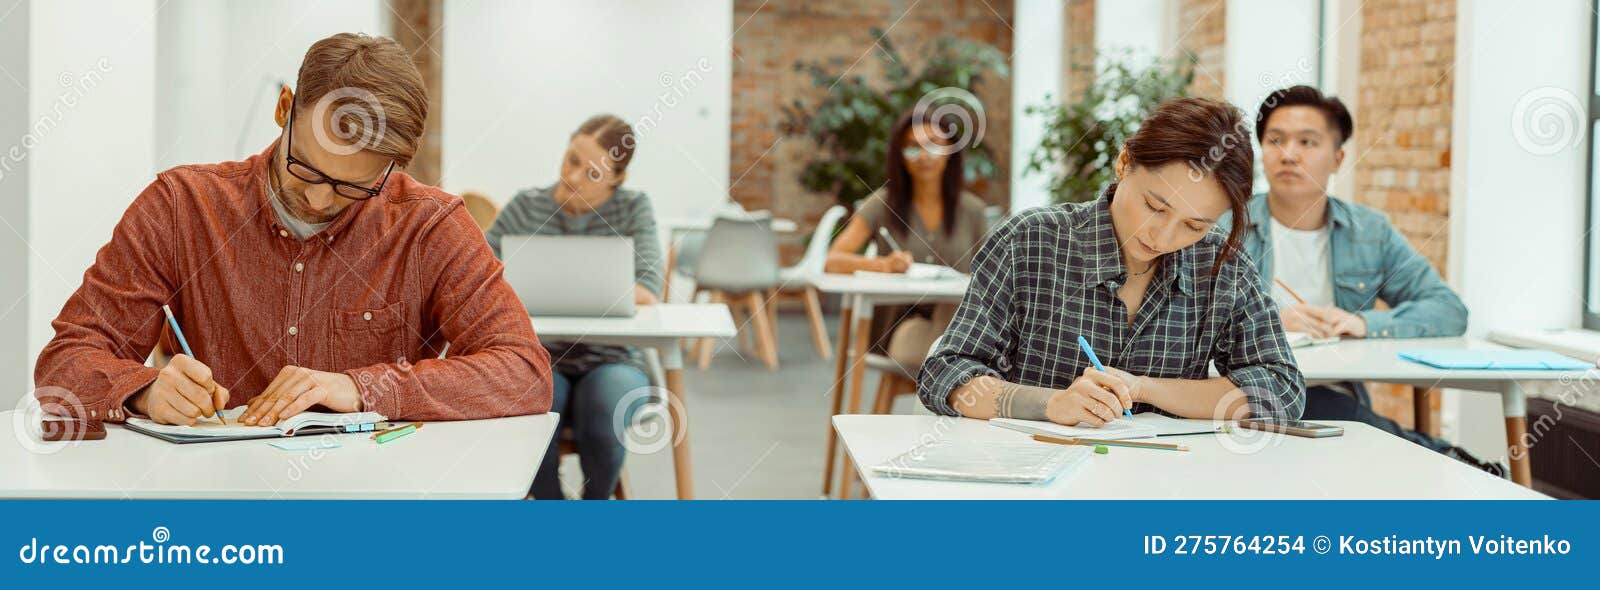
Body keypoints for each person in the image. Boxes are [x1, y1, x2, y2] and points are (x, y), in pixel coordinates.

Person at [33, 33, 552, 428]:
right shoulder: (180, 206)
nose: (321, 199)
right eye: (306, 167)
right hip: (220, 501)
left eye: (355, 187)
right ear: (284, 108)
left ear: (392, 168)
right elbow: (64, 364)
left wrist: (363, 388)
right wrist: (144, 390)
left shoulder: (430, 225)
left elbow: (524, 373)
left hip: (375, 497)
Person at [919, 97, 1305, 426]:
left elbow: (1280, 389)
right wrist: (1050, 405)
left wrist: (1143, 387)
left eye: (1193, 225)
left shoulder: (1222, 263)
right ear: (1124, 162)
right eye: (1155, 206)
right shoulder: (1031, 240)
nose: (1163, 237)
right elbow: (947, 373)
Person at [1218, 85, 1498, 475]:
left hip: (1332, 386)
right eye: (1275, 140)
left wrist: (1362, 322)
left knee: (1331, 412)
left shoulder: (1370, 231)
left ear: (1338, 157)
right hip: (1243, 389)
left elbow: (1448, 309)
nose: (1288, 154)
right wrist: (1269, 326)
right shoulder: (1225, 225)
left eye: (1307, 141)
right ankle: (1449, 463)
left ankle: (1445, 470)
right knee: (1326, 416)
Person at [485, 115, 661, 500]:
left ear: (617, 180)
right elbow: (478, 274)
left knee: (605, 408)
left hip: (613, 358)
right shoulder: (525, 206)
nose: (575, 177)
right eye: (571, 160)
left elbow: (649, 288)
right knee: (529, 409)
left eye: (593, 173)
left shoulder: (633, 208)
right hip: (537, 355)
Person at [824, 109, 991, 369]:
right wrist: (884, 265)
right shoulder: (882, 203)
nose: (924, 156)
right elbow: (833, 261)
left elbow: (993, 276)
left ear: (951, 152)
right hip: (896, 330)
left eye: (934, 145)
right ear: (900, 155)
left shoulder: (973, 210)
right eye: (913, 147)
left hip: (956, 326)